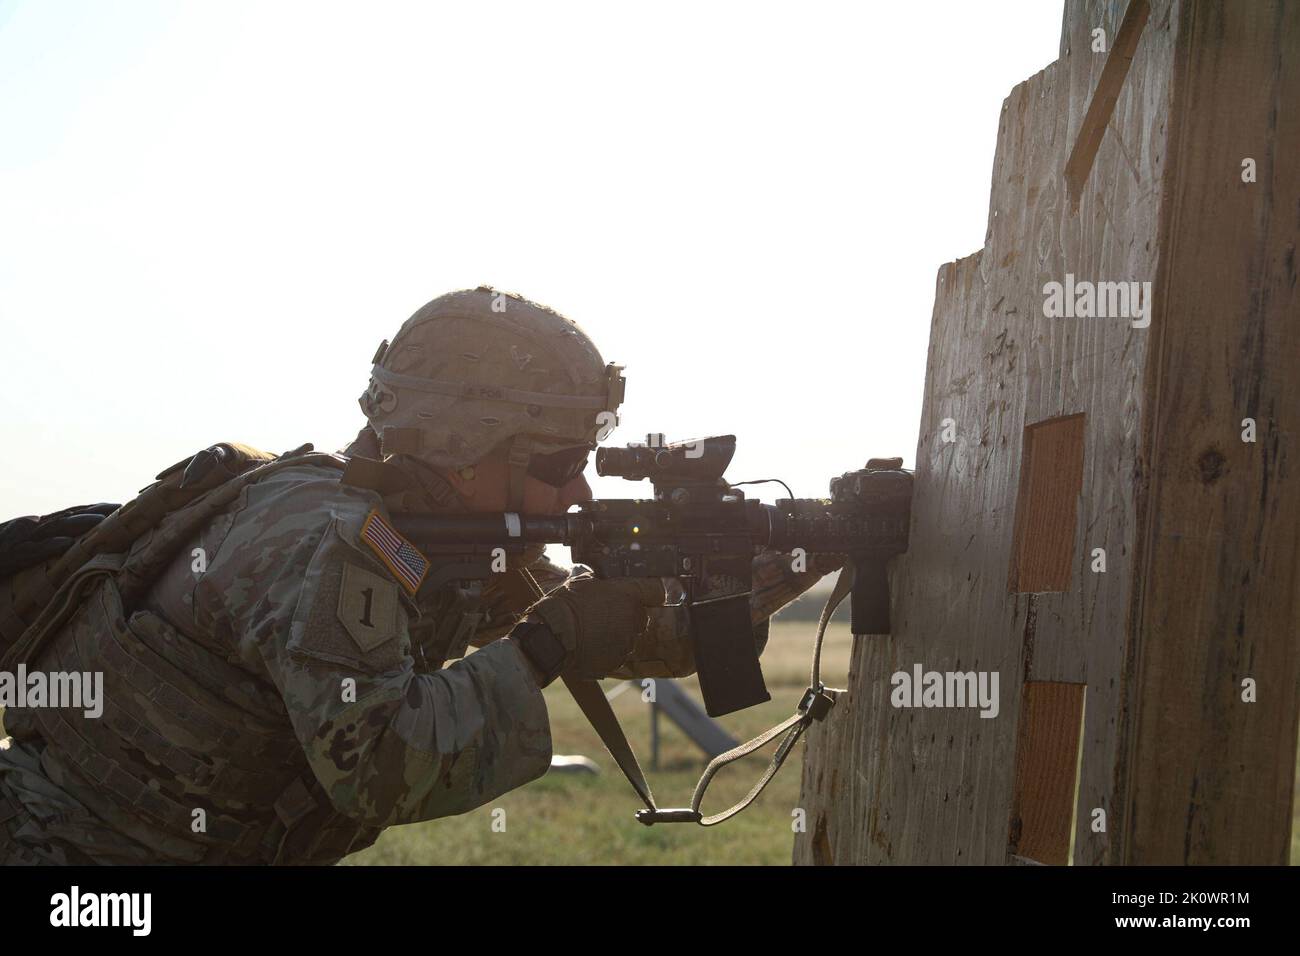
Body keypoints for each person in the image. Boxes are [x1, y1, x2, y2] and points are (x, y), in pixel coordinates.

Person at [0, 287, 835, 864]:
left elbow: (624, 637)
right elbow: (383, 765)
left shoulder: (434, 536)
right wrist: (546, 645)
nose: (580, 488)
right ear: (465, 445)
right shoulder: (325, 540)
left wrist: (798, 553)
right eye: (561, 460)